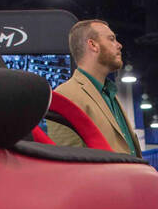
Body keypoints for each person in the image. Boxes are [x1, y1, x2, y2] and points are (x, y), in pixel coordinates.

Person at [45, 20, 143, 156]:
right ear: (93, 45)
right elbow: (69, 163)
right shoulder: (66, 96)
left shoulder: (110, 94)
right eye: (111, 39)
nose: (119, 45)